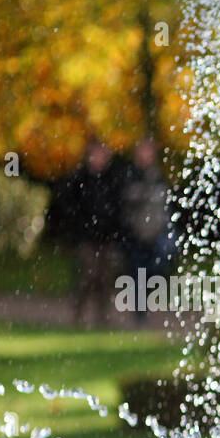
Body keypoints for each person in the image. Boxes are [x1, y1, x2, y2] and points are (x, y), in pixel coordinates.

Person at [57, 139, 126, 326]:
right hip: (86, 238)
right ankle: (78, 315)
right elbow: (70, 208)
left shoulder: (112, 180)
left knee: (105, 278)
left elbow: (118, 209)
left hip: (107, 237)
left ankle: (103, 318)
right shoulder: (80, 180)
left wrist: (115, 234)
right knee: (87, 276)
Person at [120, 138, 174, 325]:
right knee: (137, 272)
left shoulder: (158, 176)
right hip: (135, 233)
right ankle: (139, 313)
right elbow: (126, 204)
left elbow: (165, 206)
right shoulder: (130, 176)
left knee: (155, 269)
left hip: (156, 232)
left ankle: (147, 304)